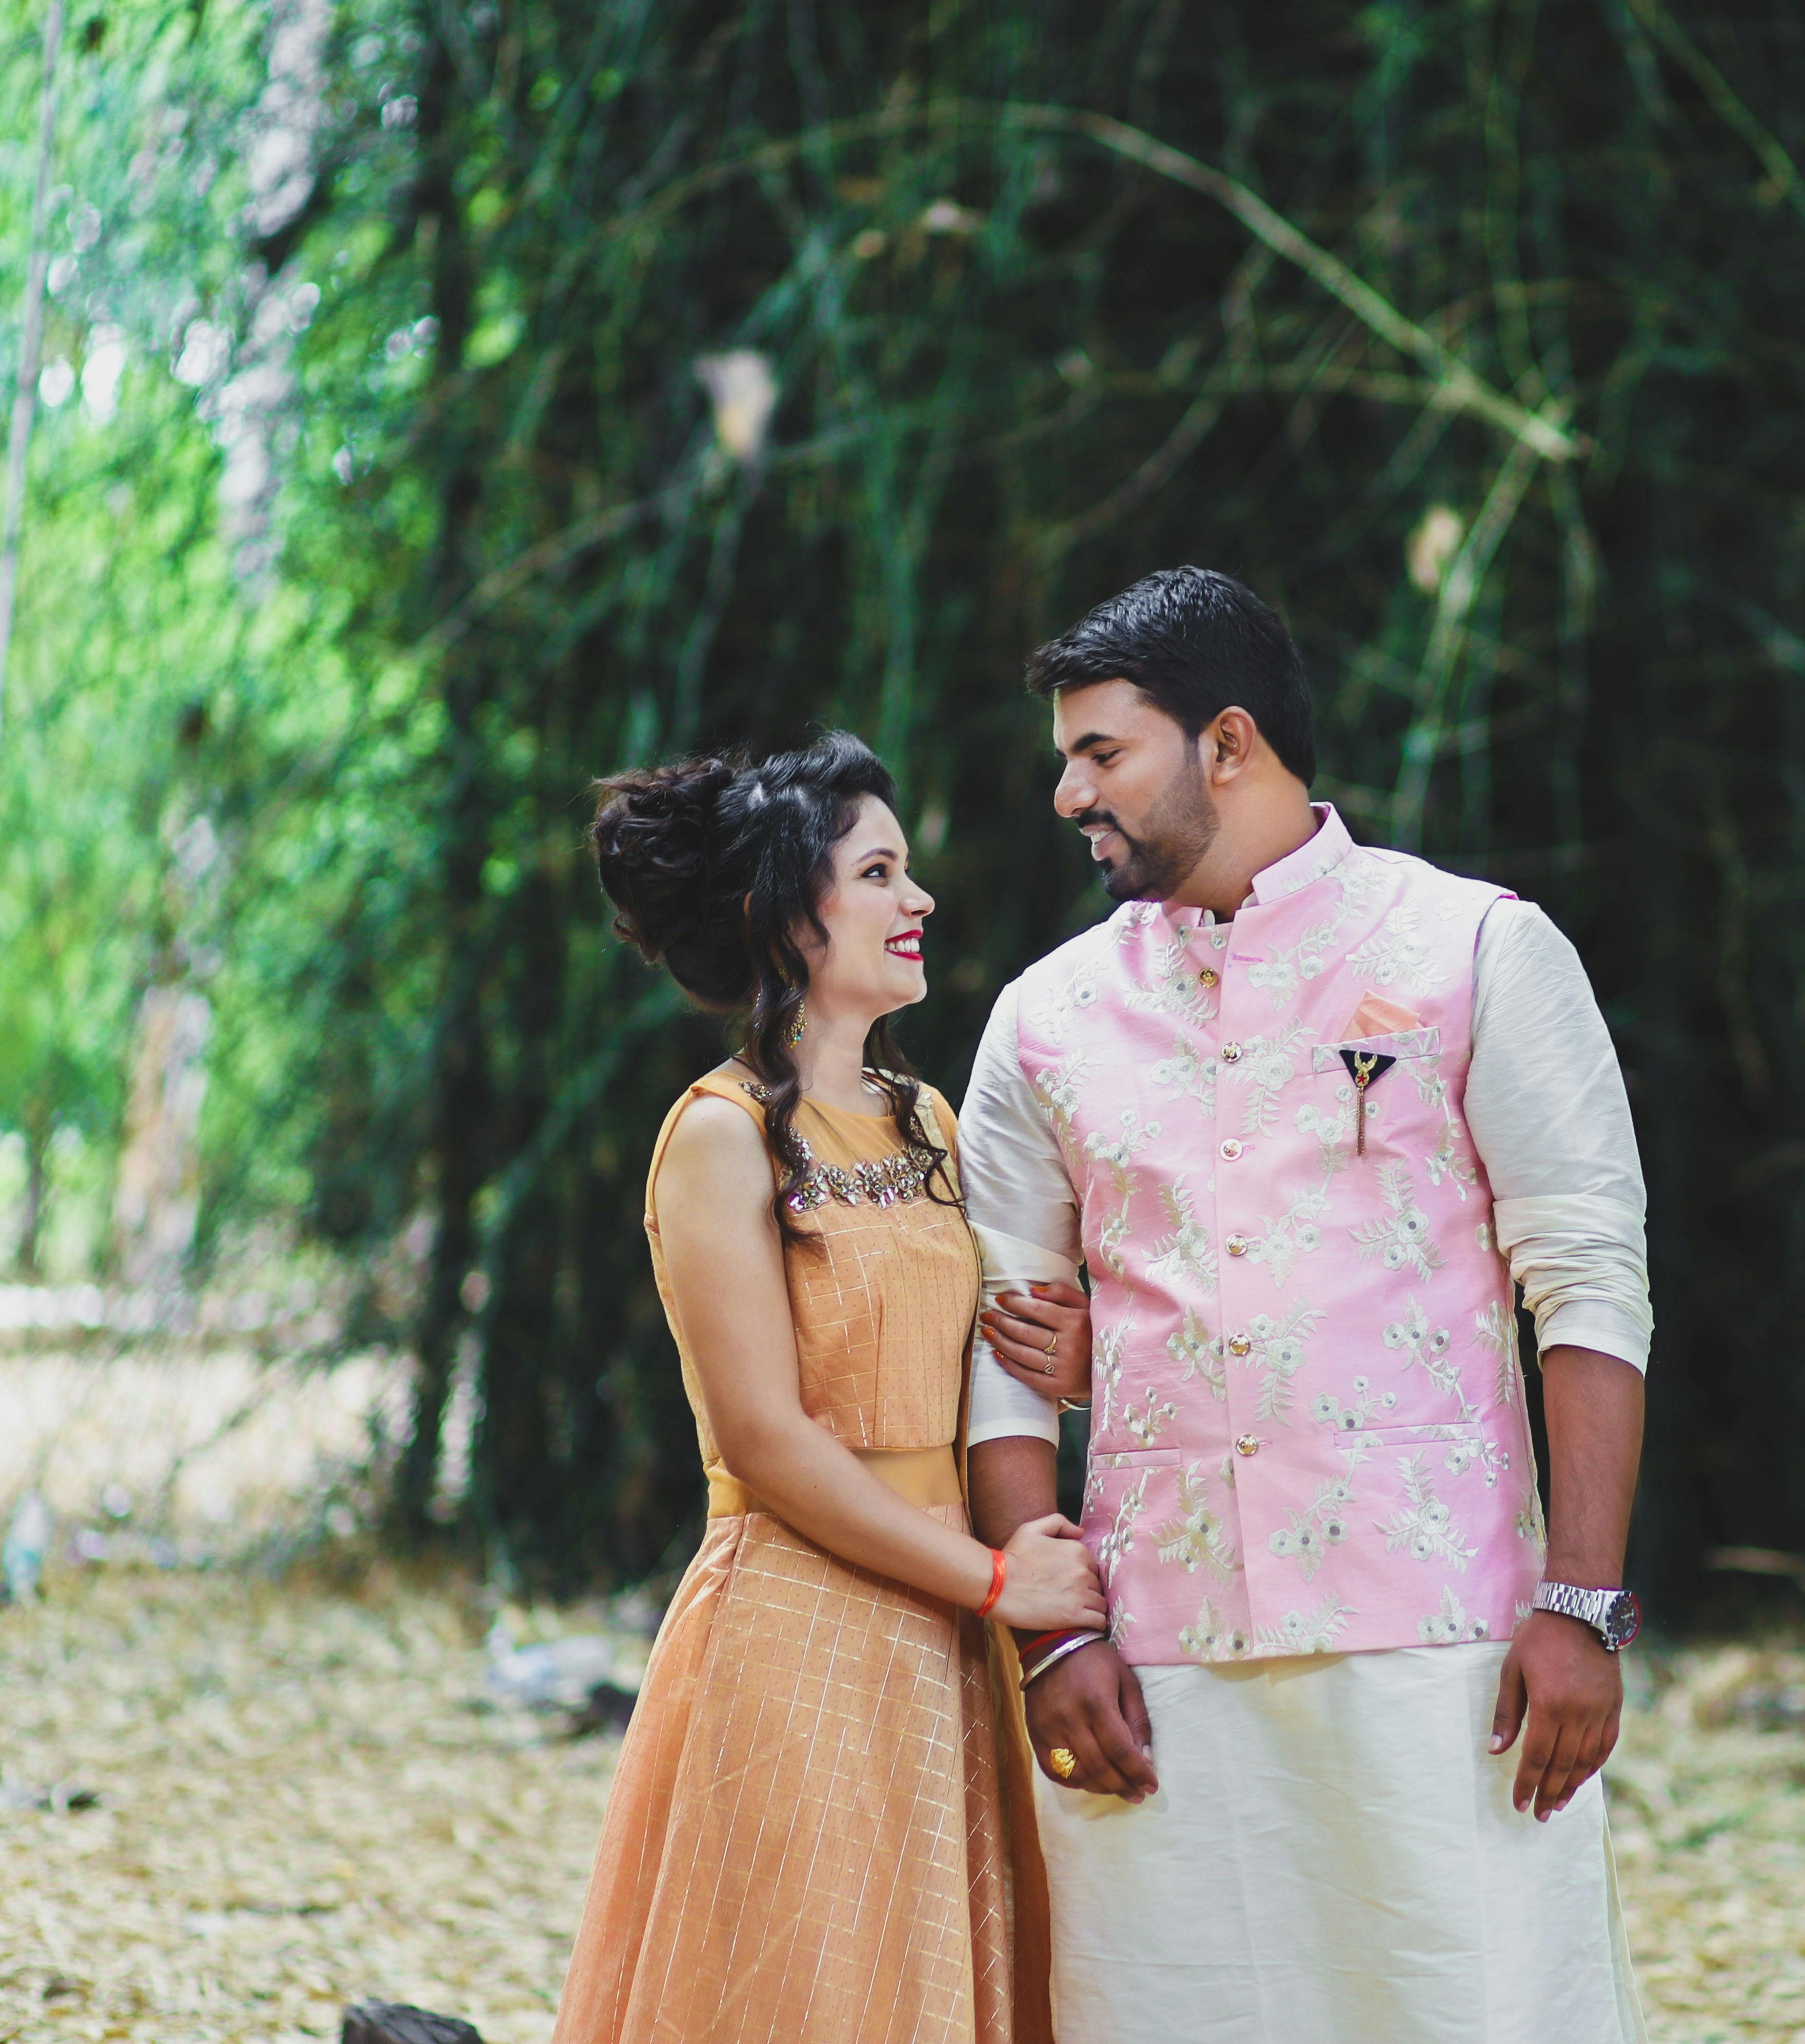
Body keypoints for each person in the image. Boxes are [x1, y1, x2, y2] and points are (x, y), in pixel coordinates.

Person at [961, 567, 1655, 2043]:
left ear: (1229, 742)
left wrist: (1582, 1601)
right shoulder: (1044, 1020)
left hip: (1441, 1639)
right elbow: (1001, 1350)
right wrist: (1054, 1642)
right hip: (1153, 1663)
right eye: (1066, 759)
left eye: (1102, 753)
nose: (1070, 794)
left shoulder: (1475, 949)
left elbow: (1588, 1280)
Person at [554, 731, 1099, 2044]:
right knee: (812, 1991)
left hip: (945, 1638)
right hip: (798, 1626)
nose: (920, 899)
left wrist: (1082, 1366)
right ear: (785, 914)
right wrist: (992, 1579)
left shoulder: (929, 1120)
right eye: (878, 873)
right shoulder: (719, 1134)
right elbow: (767, 1438)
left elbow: (981, 1360)